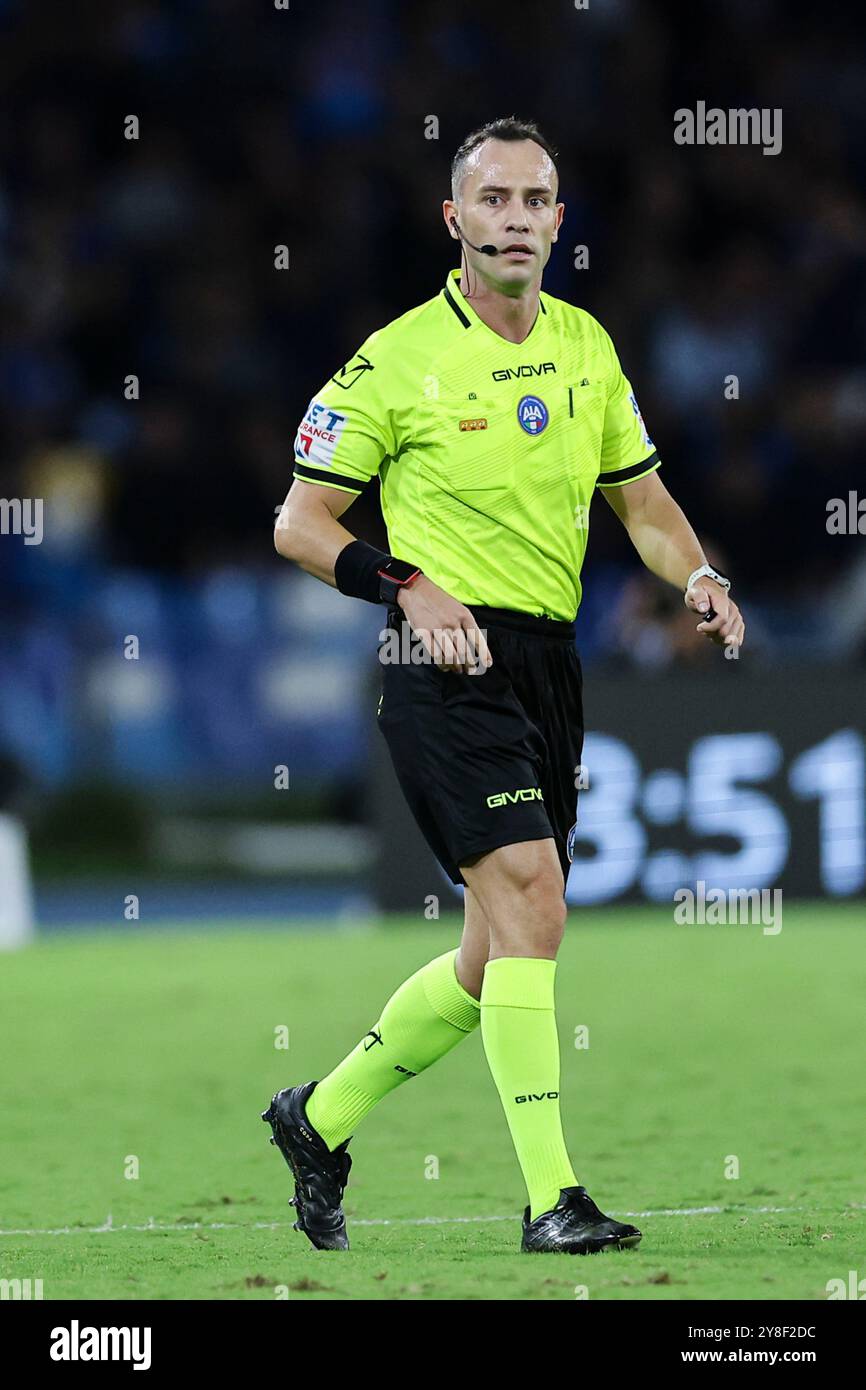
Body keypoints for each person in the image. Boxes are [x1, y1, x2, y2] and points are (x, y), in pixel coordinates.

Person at [263, 117, 745, 1254]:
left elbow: (641, 506)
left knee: (495, 959)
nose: (515, 218)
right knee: (531, 895)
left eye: (535, 200)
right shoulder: (393, 361)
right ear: (454, 219)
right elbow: (297, 522)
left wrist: (701, 573)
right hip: (442, 659)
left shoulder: (586, 347)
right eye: (493, 200)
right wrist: (408, 585)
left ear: (559, 222)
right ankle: (550, 1199)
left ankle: (316, 1117)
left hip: (547, 667)